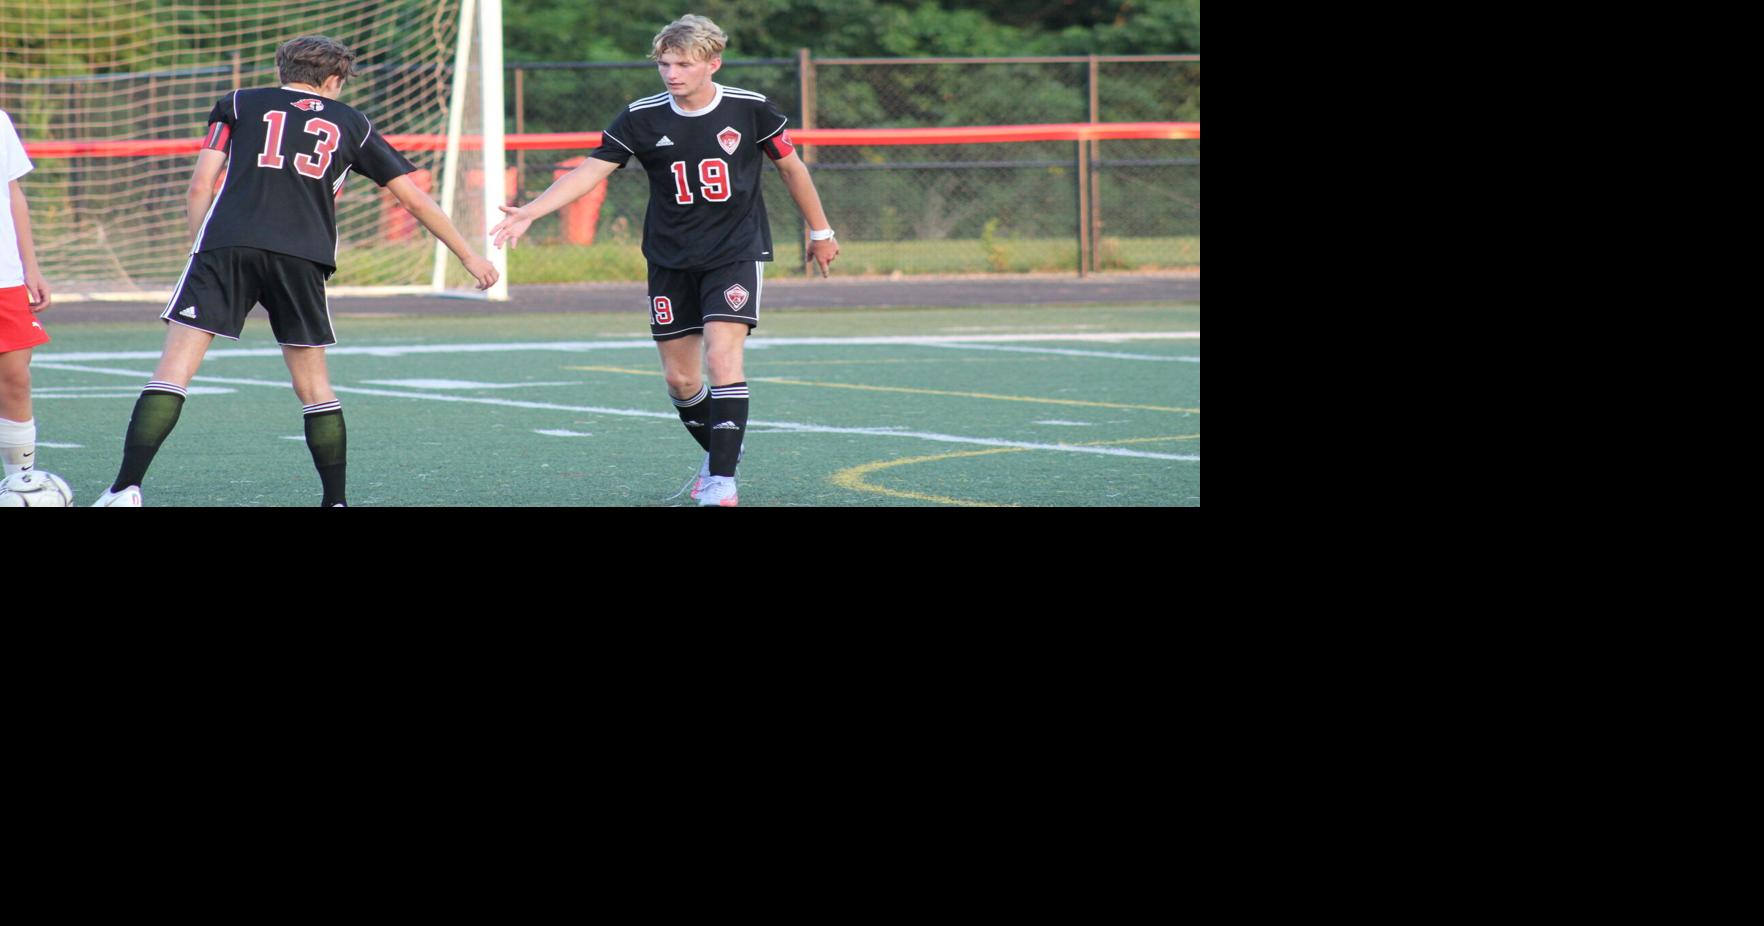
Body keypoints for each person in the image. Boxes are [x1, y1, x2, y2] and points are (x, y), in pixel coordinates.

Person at [92, 35, 498, 507]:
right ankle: (336, 501)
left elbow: (201, 184)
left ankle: (124, 490)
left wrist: (202, 247)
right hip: (303, 255)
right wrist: (469, 256)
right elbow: (413, 197)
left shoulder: (239, 103)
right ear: (333, 79)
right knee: (313, 386)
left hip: (227, 245)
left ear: (281, 68)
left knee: (173, 372)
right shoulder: (354, 123)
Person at [490, 14, 839, 508]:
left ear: (712, 64)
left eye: (683, 64)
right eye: (664, 63)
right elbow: (591, 170)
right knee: (680, 380)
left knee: (722, 357)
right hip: (669, 257)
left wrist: (820, 230)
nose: (672, 73)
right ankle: (723, 453)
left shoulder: (751, 109)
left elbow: (791, 168)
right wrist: (530, 211)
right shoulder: (641, 116)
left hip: (735, 251)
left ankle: (720, 482)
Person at [1, 107, 52, 480]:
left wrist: (30, 267)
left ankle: (21, 484)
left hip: (4, 275)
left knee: (15, 380)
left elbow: (13, 194)